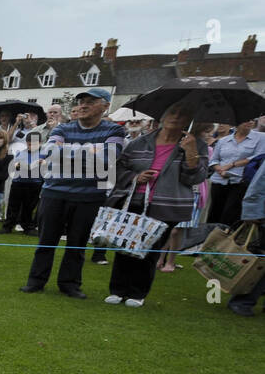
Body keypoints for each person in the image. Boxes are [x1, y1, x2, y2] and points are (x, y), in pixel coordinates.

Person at [20, 88, 127, 300]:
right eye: (82, 101)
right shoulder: (63, 129)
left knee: (77, 244)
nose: (84, 105)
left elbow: (108, 159)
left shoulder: (114, 131)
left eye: (91, 101)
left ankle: (69, 284)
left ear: (105, 106)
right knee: (46, 241)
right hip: (55, 192)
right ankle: (36, 281)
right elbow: (50, 153)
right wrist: (91, 151)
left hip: (89, 196)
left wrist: (69, 153)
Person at [103, 104, 206, 307]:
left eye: (182, 114)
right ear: (162, 116)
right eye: (172, 113)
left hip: (167, 203)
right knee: (124, 244)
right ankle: (117, 289)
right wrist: (136, 177)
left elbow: (196, 178)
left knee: (150, 249)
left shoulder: (195, 144)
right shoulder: (140, 142)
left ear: (188, 120)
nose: (175, 118)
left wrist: (191, 154)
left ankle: (137, 292)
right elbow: (118, 169)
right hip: (134, 200)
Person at [207, 120, 264, 226]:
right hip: (219, 180)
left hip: (241, 181)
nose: (250, 122)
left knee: (230, 215)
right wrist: (219, 169)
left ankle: (226, 240)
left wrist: (232, 164)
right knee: (214, 214)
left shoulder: (261, 137)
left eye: (252, 120)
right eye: (247, 120)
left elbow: (257, 157)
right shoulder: (224, 140)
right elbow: (214, 160)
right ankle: (209, 240)